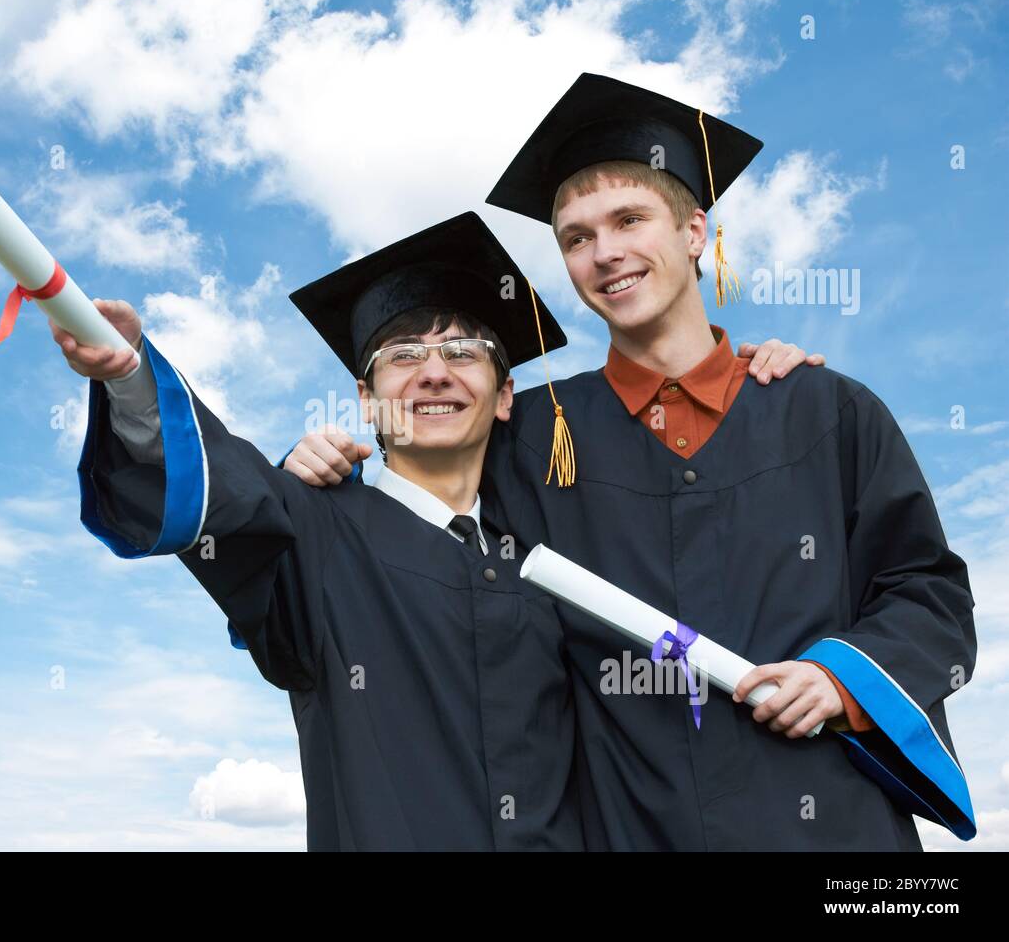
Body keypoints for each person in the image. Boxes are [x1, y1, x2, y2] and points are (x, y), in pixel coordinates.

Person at [284, 74, 976, 849]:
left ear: (693, 231)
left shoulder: (826, 412)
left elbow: (930, 596)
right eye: (576, 237)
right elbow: (424, 507)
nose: (605, 252)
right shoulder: (533, 436)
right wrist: (317, 464)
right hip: (629, 831)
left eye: (629, 219)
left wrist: (838, 678)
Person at [67, 212, 584, 850]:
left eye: (461, 352)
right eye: (402, 356)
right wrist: (132, 381)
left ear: (505, 395)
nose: (433, 372)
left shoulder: (551, 567)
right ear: (367, 401)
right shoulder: (314, 533)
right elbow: (229, 491)